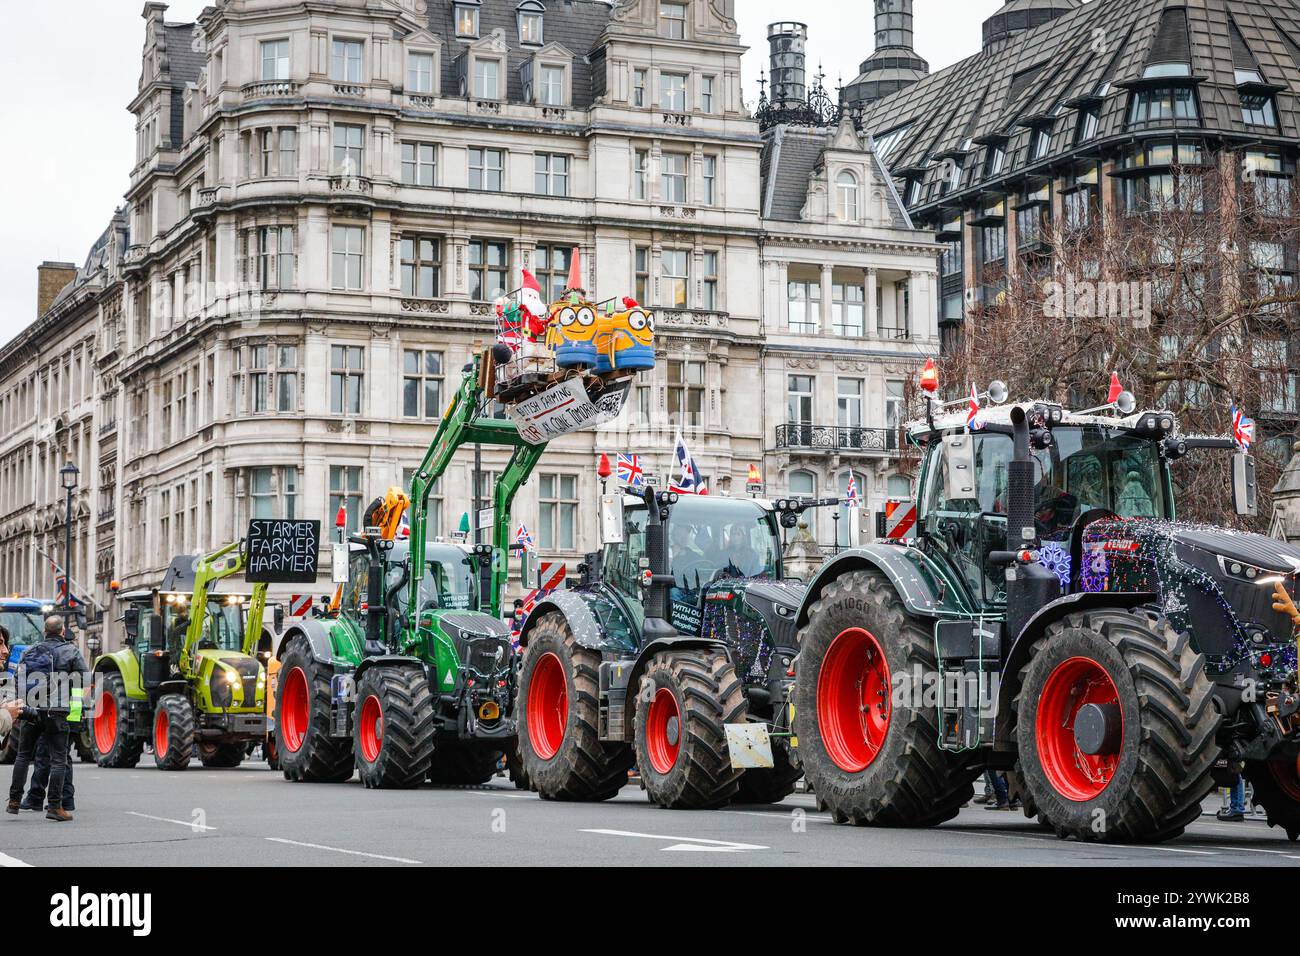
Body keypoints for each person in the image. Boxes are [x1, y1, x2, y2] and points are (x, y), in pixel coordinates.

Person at [7, 614, 88, 822]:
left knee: (23, 755)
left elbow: (17, 680)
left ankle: (14, 801)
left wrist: (22, 705)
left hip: (31, 710)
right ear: (62, 632)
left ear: (44, 631)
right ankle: (55, 807)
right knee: (59, 759)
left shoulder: (29, 651)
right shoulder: (70, 650)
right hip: (56, 711)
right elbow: (84, 680)